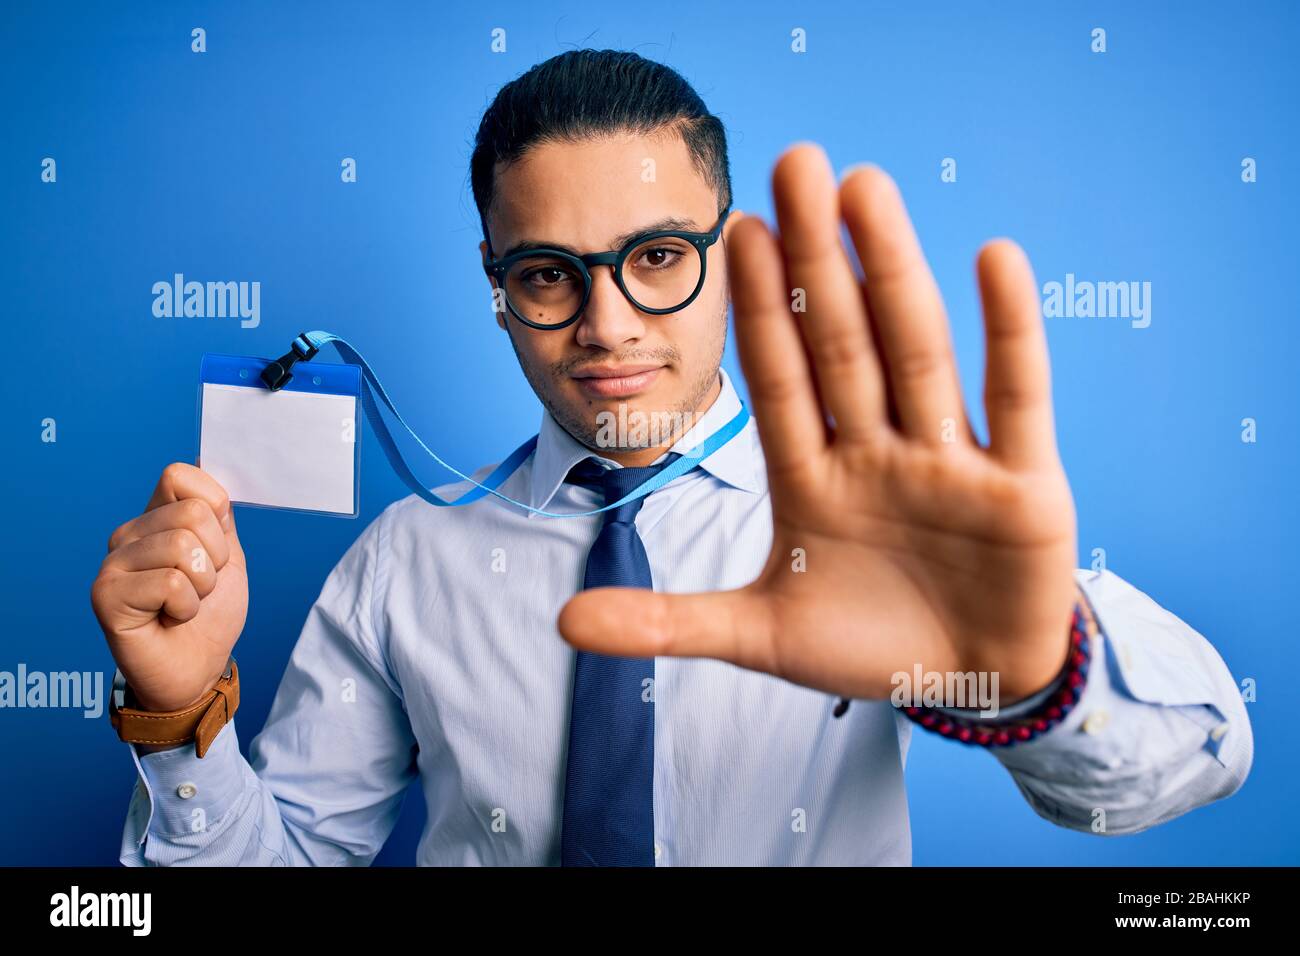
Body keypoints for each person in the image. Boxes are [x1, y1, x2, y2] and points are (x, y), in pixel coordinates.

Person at [91, 49, 1251, 866]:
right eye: (548, 272)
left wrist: (1032, 668)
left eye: (655, 256)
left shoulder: (874, 519)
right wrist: (181, 713)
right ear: (497, 292)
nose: (605, 324)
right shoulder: (404, 562)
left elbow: (1200, 754)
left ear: (731, 255)